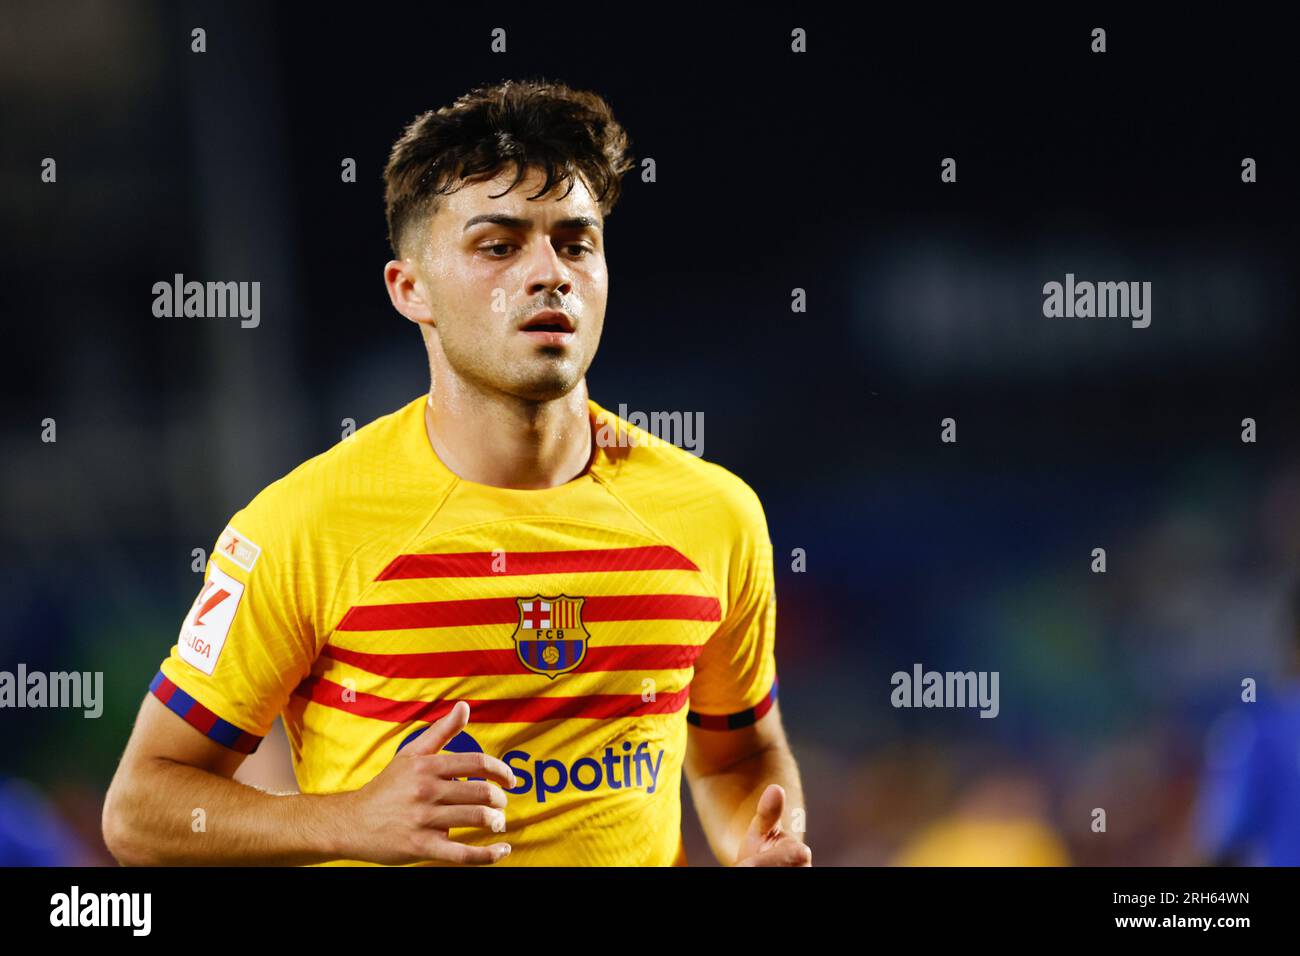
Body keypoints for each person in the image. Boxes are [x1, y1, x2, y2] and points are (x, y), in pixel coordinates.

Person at [102, 78, 809, 867]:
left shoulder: (715, 514)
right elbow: (141, 810)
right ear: (412, 291)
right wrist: (344, 821)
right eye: (499, 245)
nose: (550, 273)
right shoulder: (303, 524)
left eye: (576, 242)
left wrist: (759, 841)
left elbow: (736, 756)